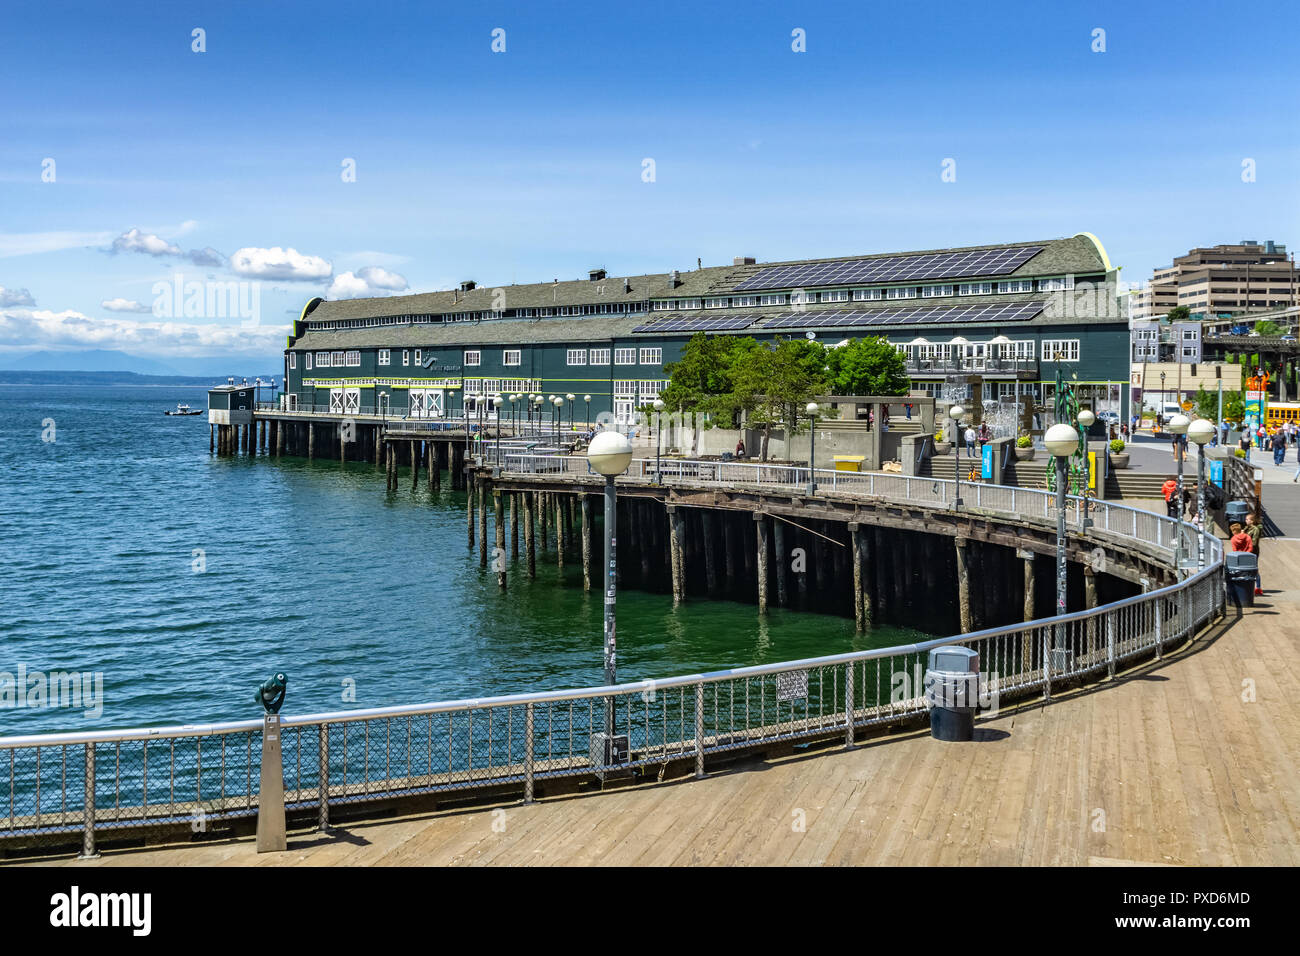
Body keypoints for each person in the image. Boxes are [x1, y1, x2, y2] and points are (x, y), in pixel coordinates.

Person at [1245, 513, 1264, 595]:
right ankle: (1249, 586)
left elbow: (1254, 542)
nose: (1245, 521)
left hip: (1253, 551)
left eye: (1247, 519)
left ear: (1252, 521)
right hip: (1246, 551)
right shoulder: (1247, 528)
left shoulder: (1255, 529)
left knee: (1254, 569)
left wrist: (1246, 541)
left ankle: (1258, 588)